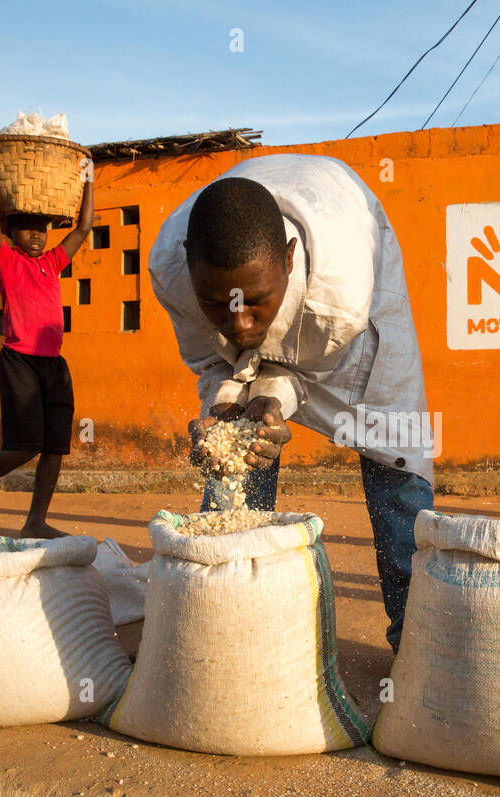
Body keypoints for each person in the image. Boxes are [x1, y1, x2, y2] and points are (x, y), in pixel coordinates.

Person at [148, 154, 434, 652]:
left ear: (287, 258)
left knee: (394, 444)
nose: (238, 325)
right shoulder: (170, 272)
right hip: (266, 251)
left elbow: (305, 369)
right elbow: (216, 361)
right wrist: (223, 411)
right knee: (235, 450)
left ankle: (415, 635)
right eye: (218, 305)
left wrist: (274, 398)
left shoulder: (339, 299)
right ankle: (228, 612)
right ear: (190, 263)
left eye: (256, 300)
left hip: (356, 250)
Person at [0, 134, 94, 538]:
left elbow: (83, 226)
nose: (37, 235)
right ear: (11, 234)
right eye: (27, 229)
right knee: (24, 445)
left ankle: (35, 522)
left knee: (55, 447)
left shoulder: (53, 263)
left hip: (54, 366)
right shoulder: (6, 260)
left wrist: (89, 177)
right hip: (21, 362)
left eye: (42, 229)